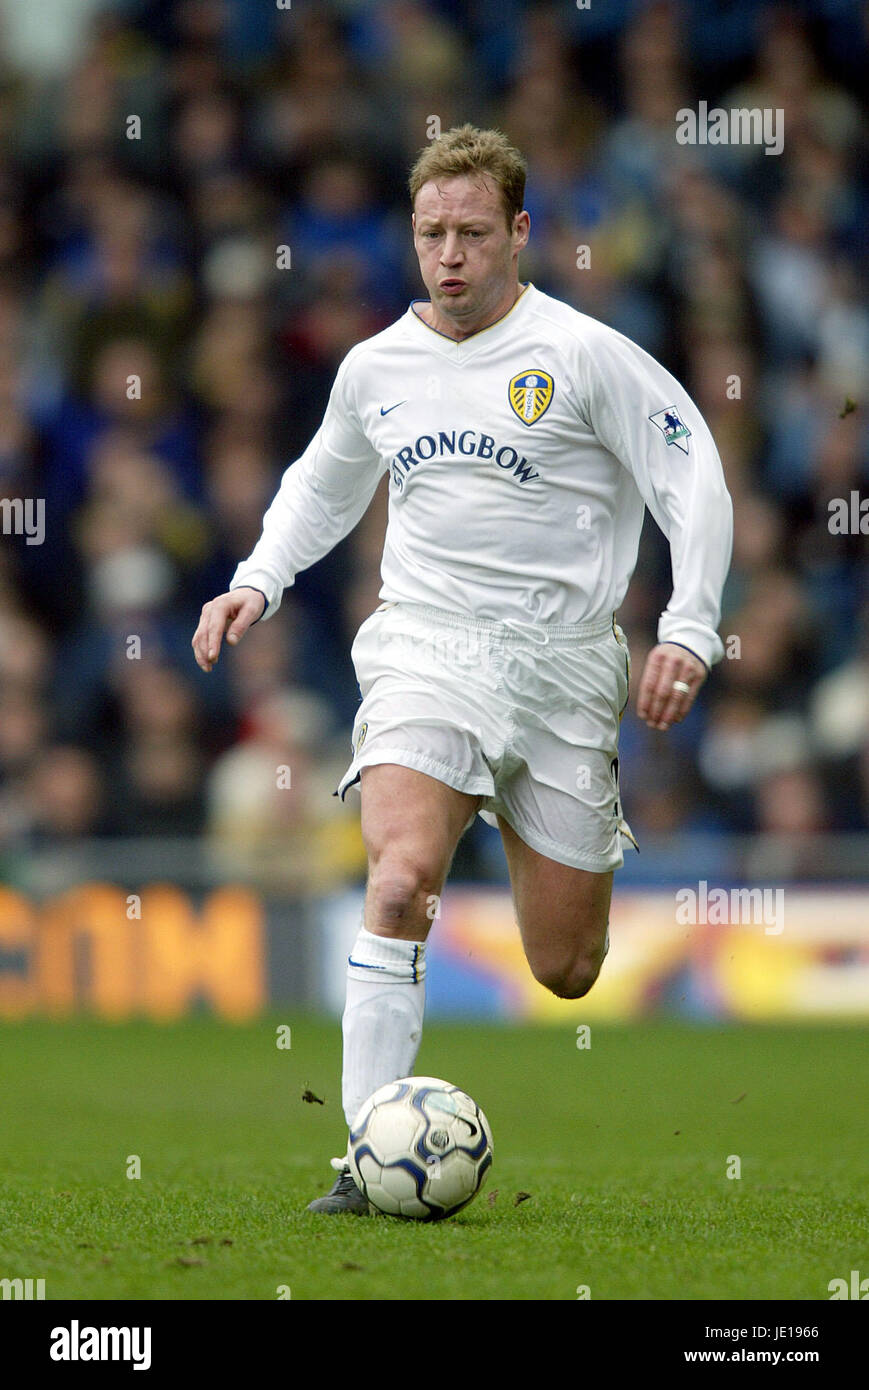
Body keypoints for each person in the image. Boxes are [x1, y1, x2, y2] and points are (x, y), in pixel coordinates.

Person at [191, 125, 733, 1213]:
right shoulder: (376, 366)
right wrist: (259, 576)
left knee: (566, 967)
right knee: (395, 879)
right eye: (432, 233)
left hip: (563, 665)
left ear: (519, 234)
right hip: (425, 645)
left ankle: (524, 821)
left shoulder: (581, 355)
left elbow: (696, 481)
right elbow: (322, 483)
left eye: (473, 233)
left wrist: (687, 627)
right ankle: (361, 1155)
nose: (449, 254)